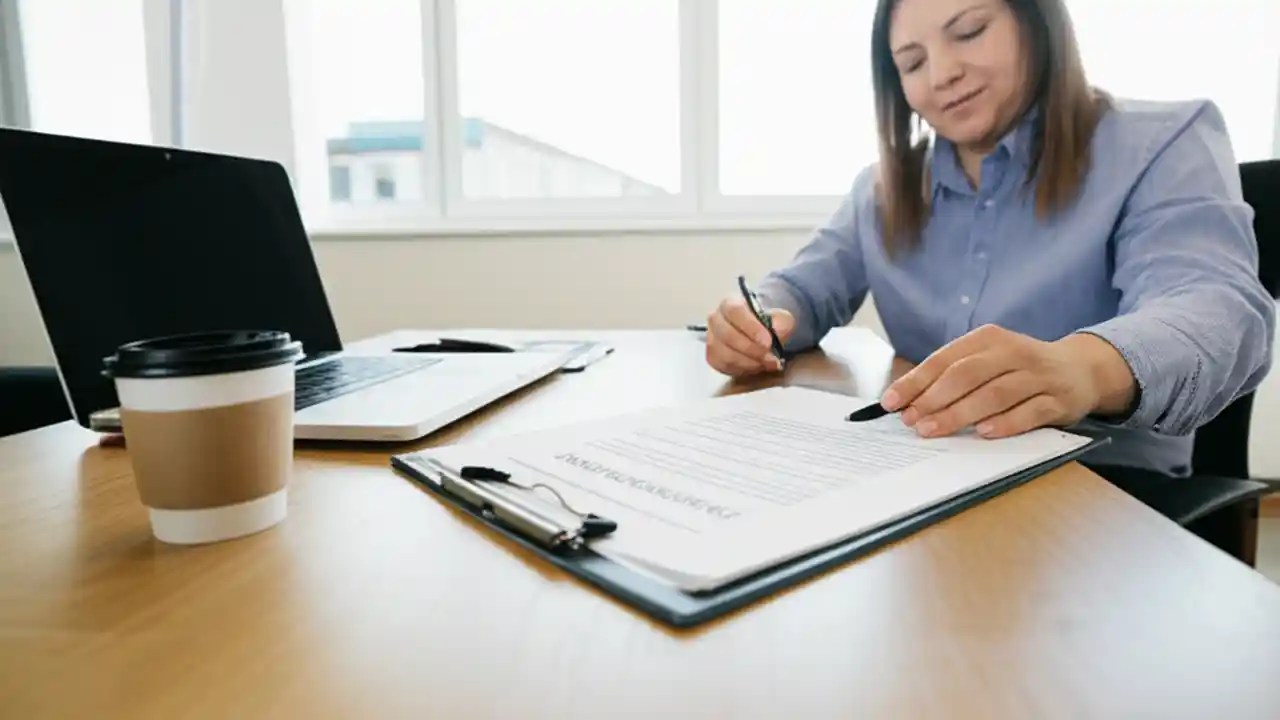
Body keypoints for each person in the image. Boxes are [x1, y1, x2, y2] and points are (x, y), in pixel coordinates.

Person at [704, 0, 1275, 482]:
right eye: (912, 62)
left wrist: (1083, 368)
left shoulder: (1162, 142)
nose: (941, 73)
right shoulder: (882, 188)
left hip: (1105, 488)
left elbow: (1217, 308)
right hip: (929, 472)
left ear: (1035, 21)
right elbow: (803, 290)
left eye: (970, 31)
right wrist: (761, 321)